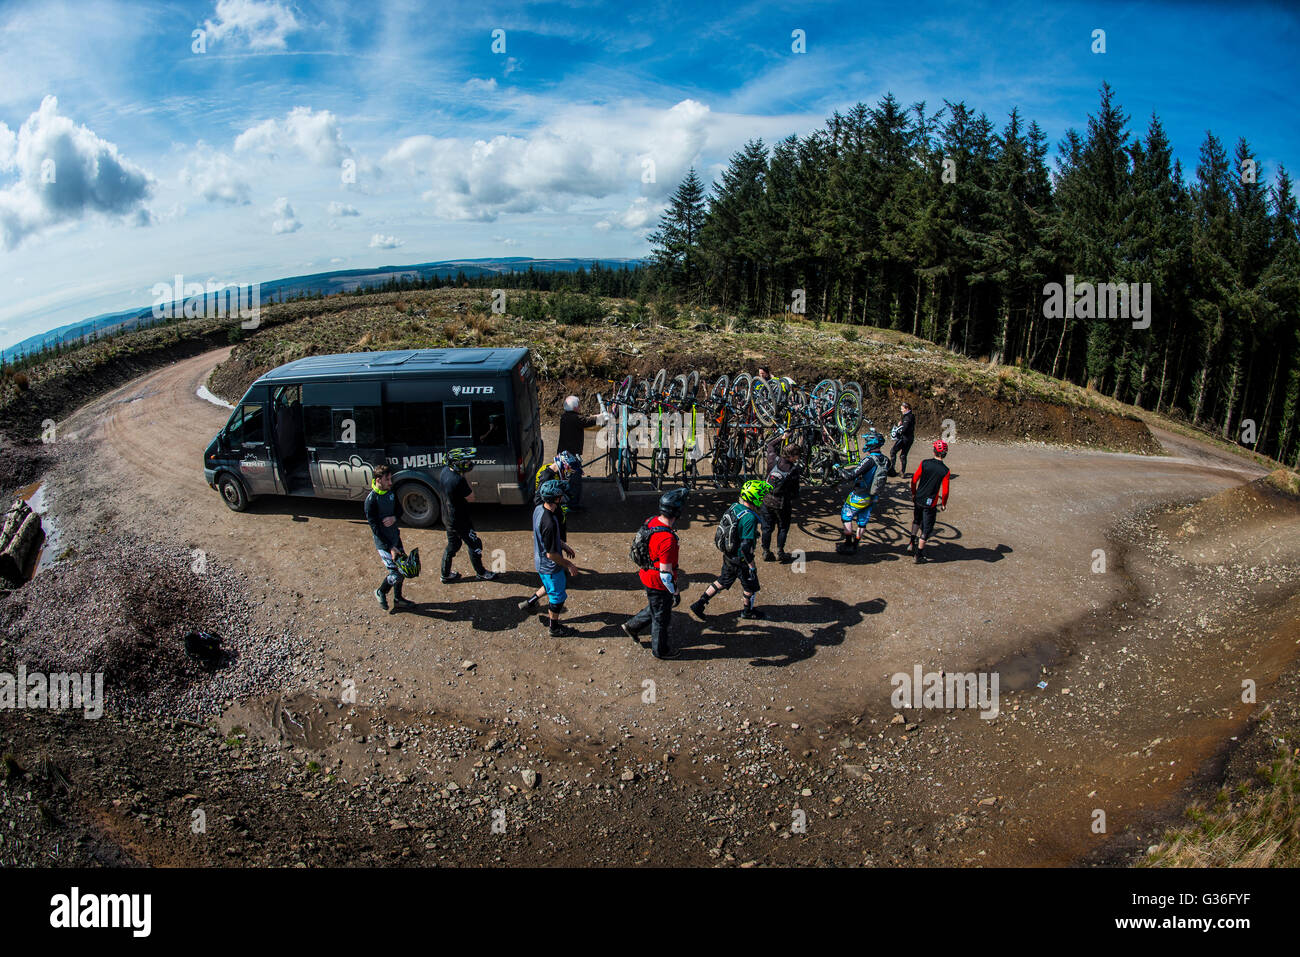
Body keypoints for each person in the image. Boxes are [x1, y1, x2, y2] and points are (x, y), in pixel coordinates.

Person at [690, 479, 771, 621]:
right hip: (741, 559)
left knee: (722, 581)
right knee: (750, 586)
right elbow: (746, 546)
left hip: (729, 555)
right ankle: (747, 611)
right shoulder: (750, 518)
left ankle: (699, 603)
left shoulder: (735, 506)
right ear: (755, 498)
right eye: (762, 497)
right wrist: (751, 565)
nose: (763, 500)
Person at [623, 488, 688, 660]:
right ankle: (660, 650)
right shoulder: (668, 539)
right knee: (661, 617)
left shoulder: (651, 521)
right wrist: (675, 591)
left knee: (657, 606)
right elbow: (665, 573)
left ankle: (632, 626)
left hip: (646, 573)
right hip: (658, 582)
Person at [438, 447, 499, 583]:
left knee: (452, 546)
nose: (468, 464)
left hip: (447, 518)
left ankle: (445, 574)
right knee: (475, 545)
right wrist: (465, 480)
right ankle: (481, 572)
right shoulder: (458, 480)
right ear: (456, 463)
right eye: (465, 462)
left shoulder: (444, 471)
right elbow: (471, 497)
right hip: (460, 520)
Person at [531, 479, 578, 636]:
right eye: (560, 494)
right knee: (557, 597)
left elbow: (546, 538)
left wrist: (563, 545)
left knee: (548, 586)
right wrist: (568, 564)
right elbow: (551, 554)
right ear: (556, 499)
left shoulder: (539, 509)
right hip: (550, 566)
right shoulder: (550, 523)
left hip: (539, 562)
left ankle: (530, 602)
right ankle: (554, 628)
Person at [365, 465, 415, 613]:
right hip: (384, 544)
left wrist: (394, 517)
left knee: (403, 568)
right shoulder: (371, 501)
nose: (390, 482)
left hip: (395, 538)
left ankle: (398, 599)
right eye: (387, 479)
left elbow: (399, 510)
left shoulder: (390, 492)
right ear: (378, 480)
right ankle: (381, 591)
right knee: (396, 574)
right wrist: (390, 547)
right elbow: (374, 528)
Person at [835, 431, 891, 554]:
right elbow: (890, 472)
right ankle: (855, 545)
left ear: (871, 443)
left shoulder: (869, 460)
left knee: (846, 517)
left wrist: (838, 468)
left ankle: (847, 544)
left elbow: (850, 475)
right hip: (873, 496)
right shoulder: (886, 460)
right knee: (862, 521)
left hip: (859, 496)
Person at [760, 433, 804, 563]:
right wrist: (793, 496)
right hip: (781, 503)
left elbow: (770, 445)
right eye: (796, 456)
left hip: (766, 499)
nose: (797, 458)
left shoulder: (773, 458)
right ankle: (780, 551)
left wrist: (781, 437)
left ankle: (765, 551)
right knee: (783, 527)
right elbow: (795, 491)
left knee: (767, 527)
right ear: (791, 456)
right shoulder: (793, 470)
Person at [557, 395, 603, 509]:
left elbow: (584, 419)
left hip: (565, 454)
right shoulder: (574, 419)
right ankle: (573, 505)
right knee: (575, 481)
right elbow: (586, 421)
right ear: (575, 407)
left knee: (568, 479)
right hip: (571, 456)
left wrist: (597, 416)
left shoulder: (565, 417)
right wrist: (601, 417)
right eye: (578, 405)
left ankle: (567, 502)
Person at [909, 439, 951, 564]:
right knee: (926, 529)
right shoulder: (945, 471)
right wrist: (943, 503)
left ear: (934, 451)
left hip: (918, 498)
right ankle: (919, 555)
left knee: (916, 520)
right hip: (930, 502)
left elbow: (914, 479)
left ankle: (911, 543)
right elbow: (945, 491)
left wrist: (913, 493)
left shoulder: (924, 463)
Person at [889, 402, 915, 477]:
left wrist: (898, 428)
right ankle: (902, 472)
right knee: (903, 455)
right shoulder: (910, 416)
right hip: (910, 439)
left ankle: (892, 470)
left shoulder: (907, 417)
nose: (901, 410)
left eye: (902, 409)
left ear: (907, 409)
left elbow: (904, 429)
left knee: (893, 451)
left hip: (904, 439)